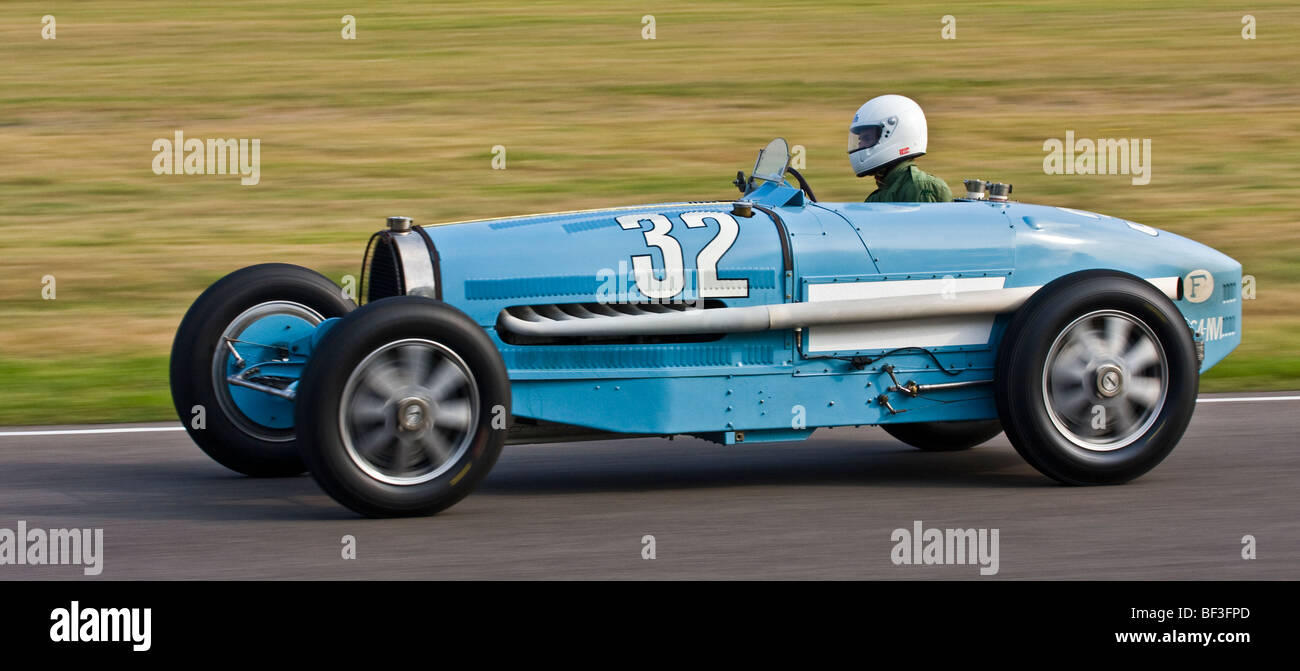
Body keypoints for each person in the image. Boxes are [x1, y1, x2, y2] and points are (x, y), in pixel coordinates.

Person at [847, 95, 952, 203]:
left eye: (867, 138)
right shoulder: (875, 198)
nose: (860, 146)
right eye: (859, 140)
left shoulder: (924, 188)